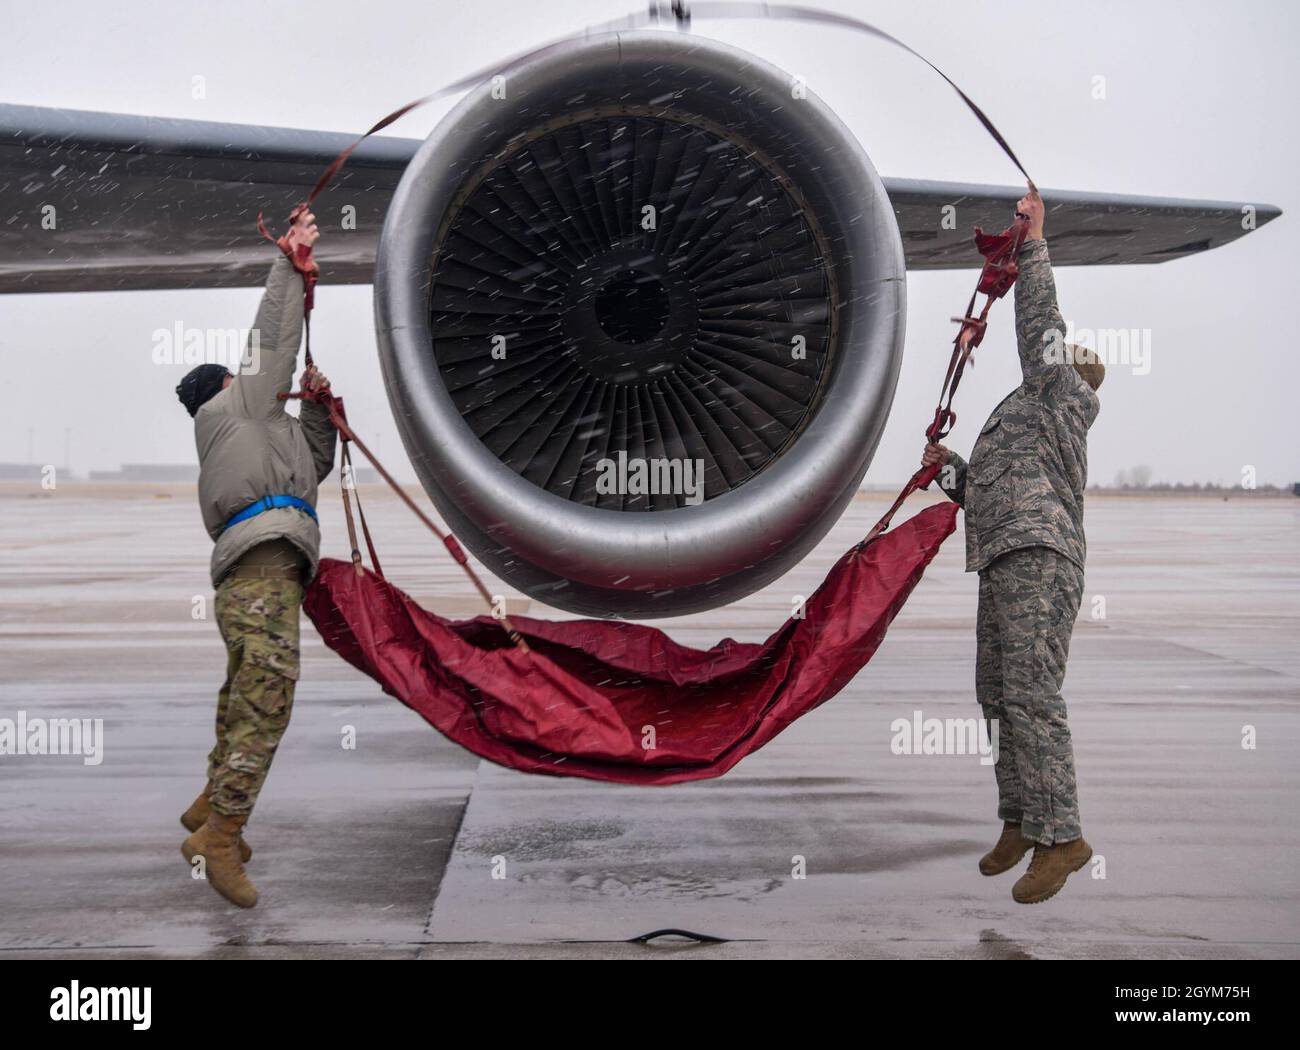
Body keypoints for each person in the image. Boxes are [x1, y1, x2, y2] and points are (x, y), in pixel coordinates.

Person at [922, 183, 1104, 904]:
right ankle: (1021, 820)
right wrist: (950, 473)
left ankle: (1064, 838)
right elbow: (986, 493)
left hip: (1040, 557)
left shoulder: (1058, 397)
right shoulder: (1025, 419)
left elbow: (1039, 325)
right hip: (1003, 555)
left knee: (1031, 695)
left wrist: (1033, 246)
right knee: (997, 695)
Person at [173, 208, 336, 908]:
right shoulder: (232, 411)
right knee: (267, 709)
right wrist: (288, 267)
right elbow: (270, 340)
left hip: (265, 577)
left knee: (244, 699)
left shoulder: (258, 436)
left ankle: (207, 813)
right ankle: (221, 835)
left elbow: (314, 467)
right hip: (263, 578)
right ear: (225, 390)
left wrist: (320, 411)